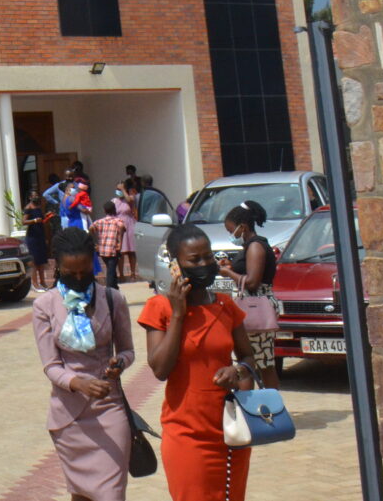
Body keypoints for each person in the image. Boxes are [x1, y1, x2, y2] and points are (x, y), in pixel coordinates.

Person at [140, 224, 260, 501]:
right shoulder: (160, 308)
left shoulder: (225, 305)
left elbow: (247, 356)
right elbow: (159, 369)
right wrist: (179, 315)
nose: (205, 264)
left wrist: (238, 370)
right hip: (187, 434)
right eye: (194, 259)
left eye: (208, 256)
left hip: (232, 430)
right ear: (175, 266)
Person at [32, 228, 135, 501]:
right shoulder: (45, 305)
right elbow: (51, 366)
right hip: (69, 417)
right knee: (81, 495)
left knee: (111, 495)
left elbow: (128, 350)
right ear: (58, 266)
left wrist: (119, 363)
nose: (78, 278)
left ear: (93, 263)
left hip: (109, 409)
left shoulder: (113, 299)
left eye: (84, 271)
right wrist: (79, 383)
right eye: (70, 272)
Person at [220, 201, 280, 389]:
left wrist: (227, 272)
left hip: (256, 307)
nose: (231, 235)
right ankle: (261, 405)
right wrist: (231, 266)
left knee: (261, 362)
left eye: (231, 231)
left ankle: (270, 405)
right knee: (259, 360)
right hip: (253, 306)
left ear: (242, 227)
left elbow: (253, 282)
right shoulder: (250, 246)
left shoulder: (255, 246)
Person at [91, 206, 127, 290]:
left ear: (104, 211)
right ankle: (110, 289)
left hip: (102, 250)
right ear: (114, 210)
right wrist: (120, 242)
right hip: (113, 249)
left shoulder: (99, 221)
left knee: (111, 268)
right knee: (111, 270)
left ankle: (115, 287)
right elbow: (122, 227)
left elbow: (91, 228)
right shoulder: (117, 221)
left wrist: (94, 238)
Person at [23, 193, 53, 292]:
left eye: (37, 195)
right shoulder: (28, 207)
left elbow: (42, 219)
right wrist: (34, 220)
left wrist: (47, 216)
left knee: (41, 261)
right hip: (32, 237)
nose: (36, 197)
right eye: (34, 196)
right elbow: (23, 222)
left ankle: (43, 282)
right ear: (30, 197)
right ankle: (35, 284)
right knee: (34, 262)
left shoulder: (39, 206)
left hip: (40, 235)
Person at [113, 183, 138, 281]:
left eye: (120, 189)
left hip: (129, 225)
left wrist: (123, 190)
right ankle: (121, 274)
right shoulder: (114, 201)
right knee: (121, 252)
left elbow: (130, 200)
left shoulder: (130, 198)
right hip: (119, 226)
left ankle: (133, 273)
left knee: (131, 251)